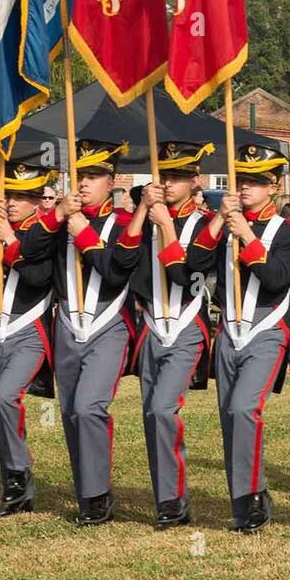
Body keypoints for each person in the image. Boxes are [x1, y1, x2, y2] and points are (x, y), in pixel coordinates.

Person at [192, 144, 290, 533]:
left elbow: (276, 279)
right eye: (241, 180)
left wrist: (246, 236)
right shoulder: (222, 224)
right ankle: (243, 497)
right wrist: (218, 225)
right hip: (228, 329)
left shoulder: (289, 233)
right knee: (229, 418)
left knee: (244, 410)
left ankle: (255, 496)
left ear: (273, 187)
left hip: (267, 330)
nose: (245, 189)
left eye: (256, 182)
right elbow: (193, 265)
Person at [115, 142, 219, 528]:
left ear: (195, 181)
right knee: (149, 414)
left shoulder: (205, 225)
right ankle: (166, 497)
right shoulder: (148, 218)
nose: (169, 184)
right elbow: (122, 264)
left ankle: (174, 501)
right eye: (163, 176)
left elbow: (185, 278)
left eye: (177, 177)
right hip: (152, 329)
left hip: (186, 326)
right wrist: (143, 210)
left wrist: (167, 226)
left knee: (163, 409)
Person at [44, 140, 138, 527]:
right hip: (67, 323)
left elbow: (116, 272)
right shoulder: (61, 219)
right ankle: (87, 488)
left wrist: (83, 233)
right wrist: (57, 219)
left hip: (108, 323)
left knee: (89, 407)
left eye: (94, 175)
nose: (85, 183)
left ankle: (98, 495)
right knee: (69, 413)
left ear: (111, 181)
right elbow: (28, 256)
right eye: (80, 174)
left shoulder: (124, 223)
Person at [0, 163, 58, 517]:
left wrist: (10, 238)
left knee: (7, 396)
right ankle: (12, 481)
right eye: (10, 196)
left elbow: (38, 277)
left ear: (38, 201)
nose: (13, 204)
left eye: (22, 197)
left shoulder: (45, 233)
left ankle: (20, 473)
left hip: (28, 329)